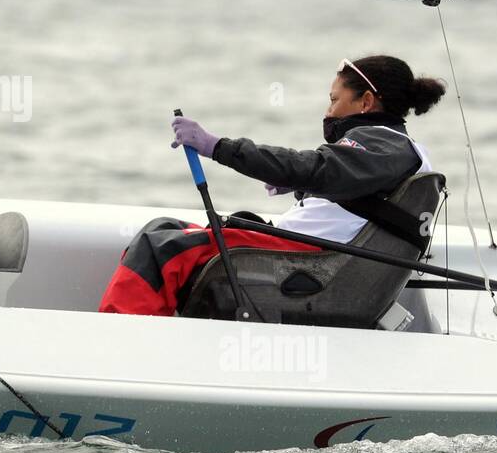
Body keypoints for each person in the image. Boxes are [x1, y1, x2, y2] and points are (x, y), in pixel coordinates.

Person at [98, 55, 445, 316]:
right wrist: (300, 187)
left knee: (164, 247)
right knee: (164, 228)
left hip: (311, 260)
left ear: (366, 102)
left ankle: (123, 348)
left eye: (335, 99)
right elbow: (344, 182)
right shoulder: (393, 148)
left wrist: (216, 146)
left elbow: (317, 167)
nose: (328, 111)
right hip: (307, 252)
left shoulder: (383, 144)